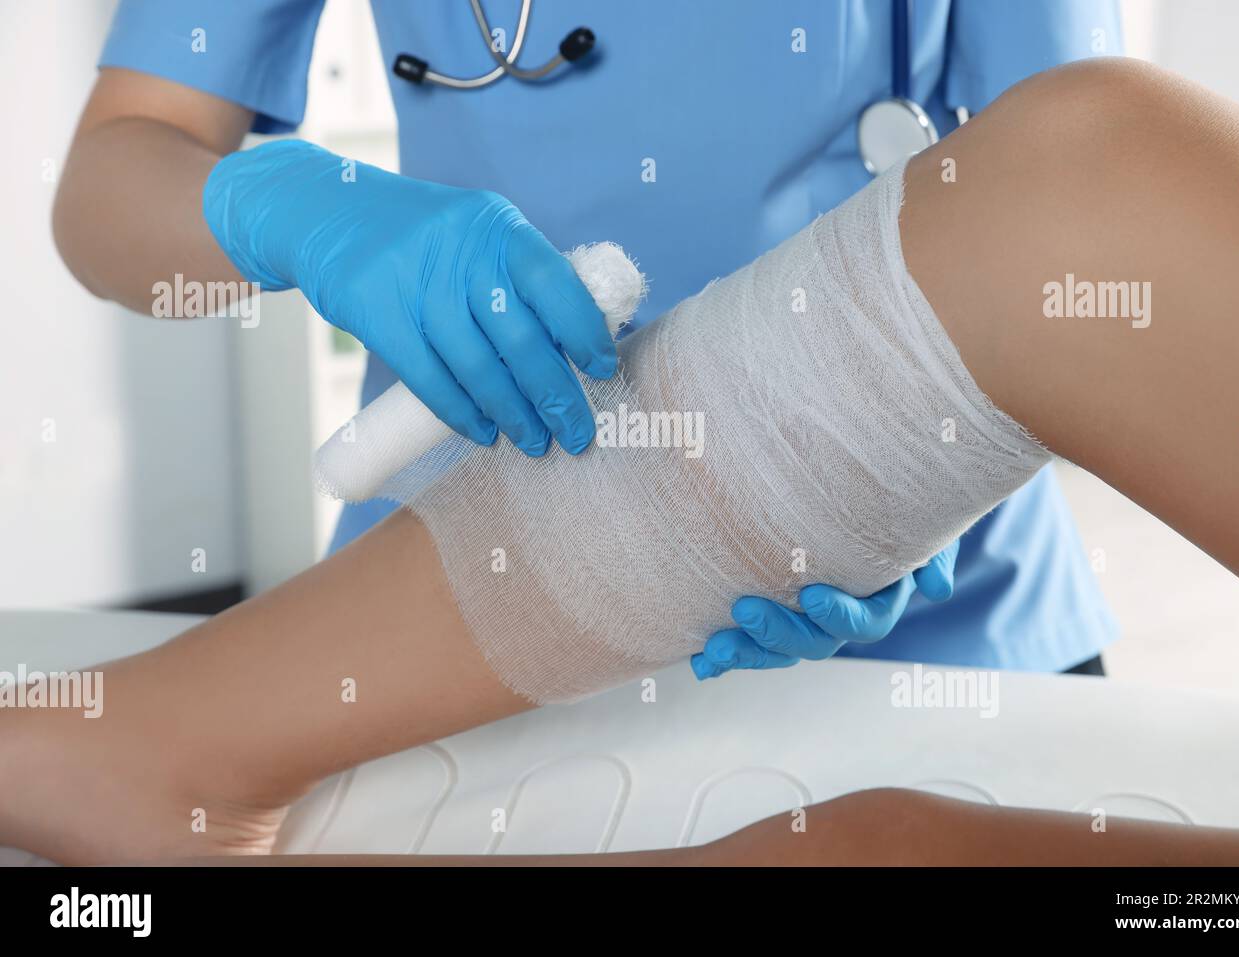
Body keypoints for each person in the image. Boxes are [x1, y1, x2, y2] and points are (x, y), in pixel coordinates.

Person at [9, 56, 1239, 865]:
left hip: (922, 602)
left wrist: (909, 455)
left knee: (1085, 180)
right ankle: (157, 746)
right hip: (434, 603)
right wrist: (280, 206)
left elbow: (1098, 280)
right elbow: (109, 196)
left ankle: (146, 748)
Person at [52, 0, 1125, 678]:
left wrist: (930, 468)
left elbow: (1083, 193)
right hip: (474, 568)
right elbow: (106, 190)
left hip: (914, 565)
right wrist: (288, 208)